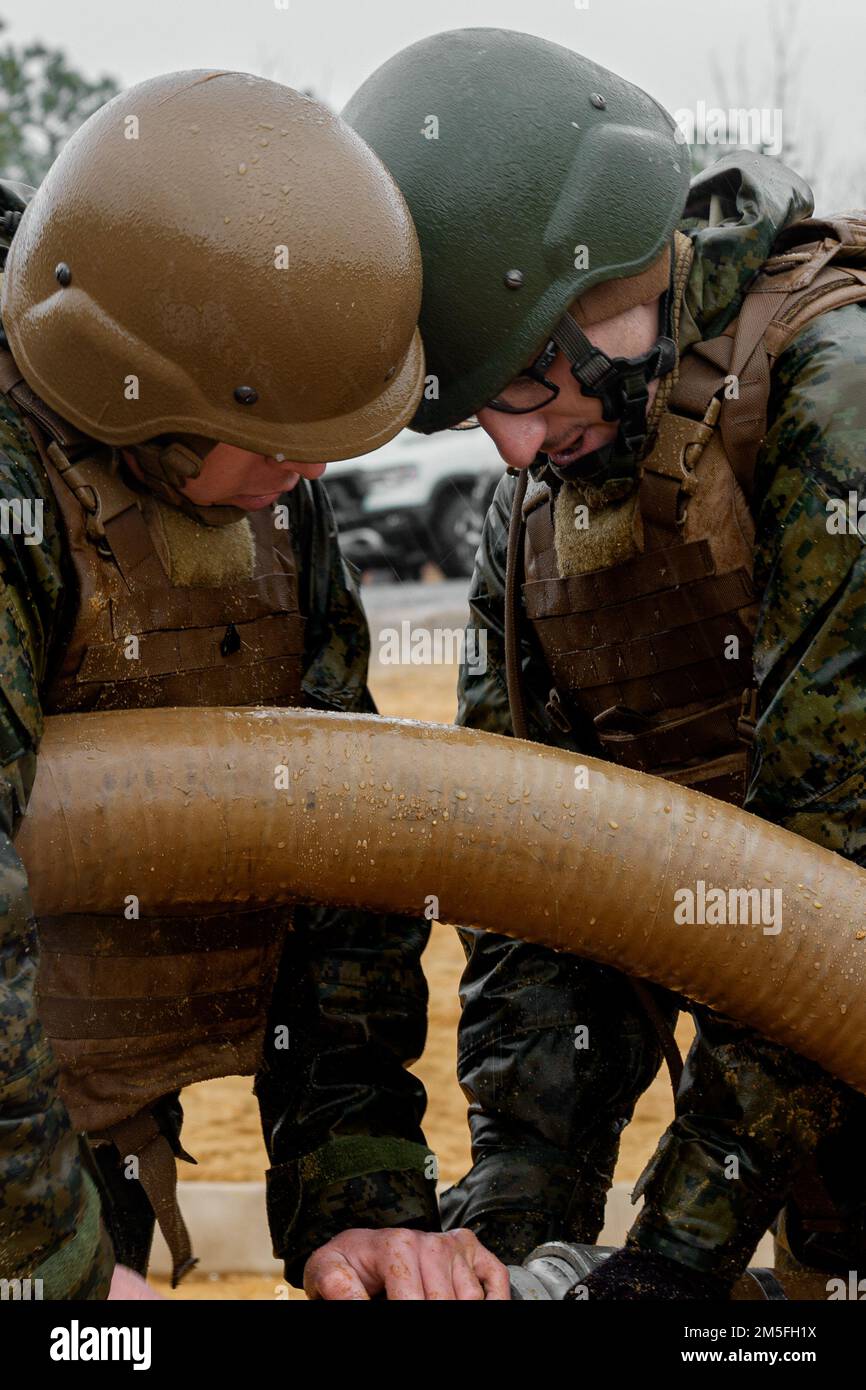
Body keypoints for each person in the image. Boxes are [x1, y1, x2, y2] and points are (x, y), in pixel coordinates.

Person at [345, 27, 866, 1298]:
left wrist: (669, 1261)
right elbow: (540, 896)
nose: (512, 451)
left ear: (602, 288)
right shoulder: (530, 515)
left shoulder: (833, 397)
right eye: (477, 410)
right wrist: (509, 1237)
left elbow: (829, 869)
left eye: (523, 382)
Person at [0, 68, 508, 1301]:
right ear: (143, 388)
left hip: (76, 1143)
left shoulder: (259, 475)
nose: (311, 472)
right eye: (280, 438)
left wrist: (360, 1196)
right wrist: (47, 1269)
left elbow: (327, 841)